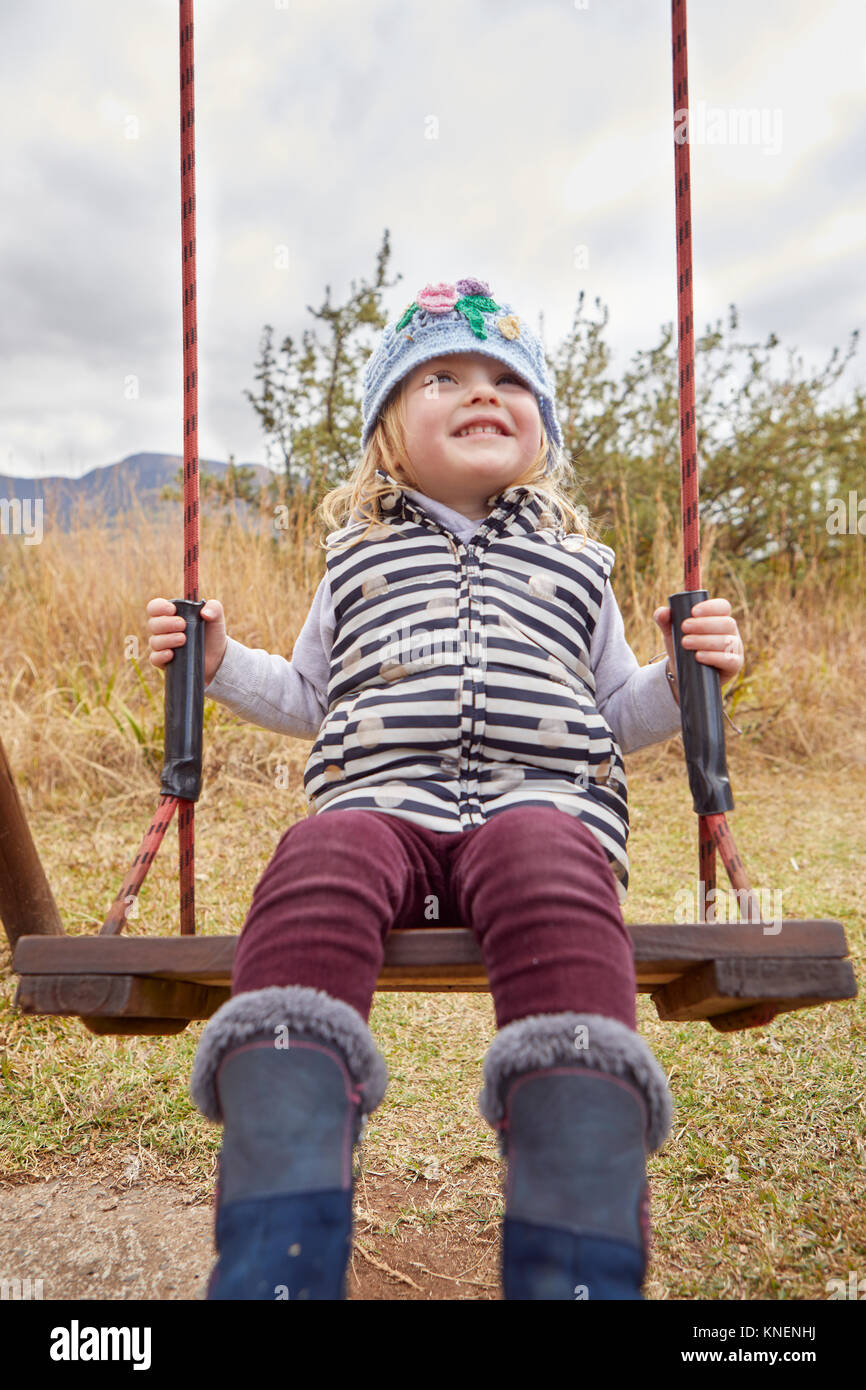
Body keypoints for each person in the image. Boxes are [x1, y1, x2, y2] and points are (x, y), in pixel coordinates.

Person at [147, 277, 744, 1301]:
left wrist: (689, 678)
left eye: (507, 379)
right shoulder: (355, 562)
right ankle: (276, 1247)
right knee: (316, 852)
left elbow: (612, 711)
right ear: (388, 427)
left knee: (550, 858)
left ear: (539, 427)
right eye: (443, 376)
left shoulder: (573, 566)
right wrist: (213, 663)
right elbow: (304, 694)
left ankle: (577, 1254)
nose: (481, 391)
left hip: (541, 818)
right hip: (382, 815)